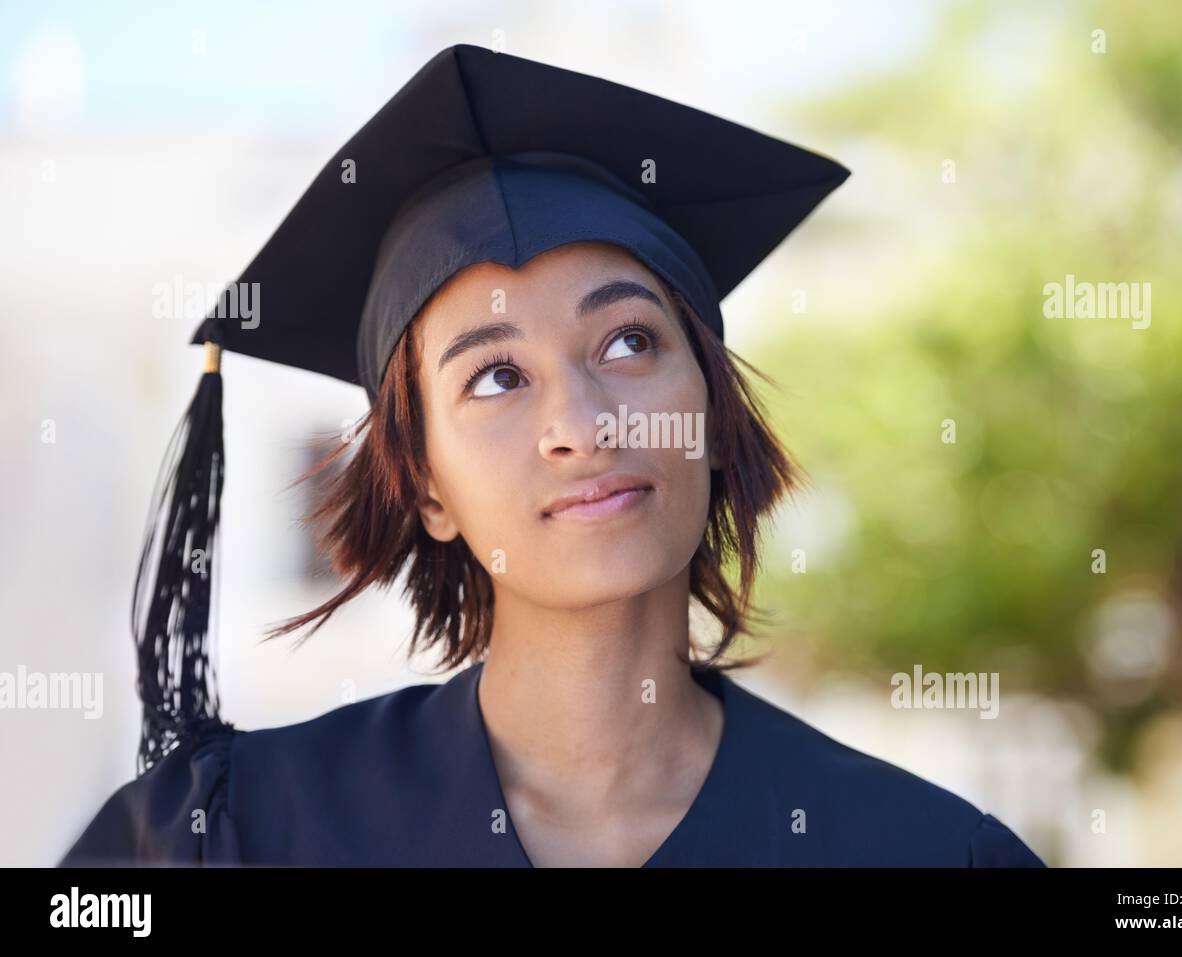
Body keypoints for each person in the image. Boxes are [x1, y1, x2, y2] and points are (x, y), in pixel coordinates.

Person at [58, 44, 1045, 868]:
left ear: (710, 411)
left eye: (628, 343)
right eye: (494, 377)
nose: (581, 423)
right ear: (428, 487)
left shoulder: (918, 853)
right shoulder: (239, 838)